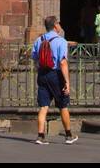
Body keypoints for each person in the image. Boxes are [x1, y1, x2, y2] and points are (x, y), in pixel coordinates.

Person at [31, 16, 78, 145]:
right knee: (63, 105)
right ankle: (68, 135)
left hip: (42, 74)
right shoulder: (61, 41)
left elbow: (34, 59)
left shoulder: (38, 40)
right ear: (56, 25)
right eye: (59, 23)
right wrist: (67, 82)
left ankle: (40, 136)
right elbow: (63, 62)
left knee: (43, 106)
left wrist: (40, 70)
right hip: (56, 75)